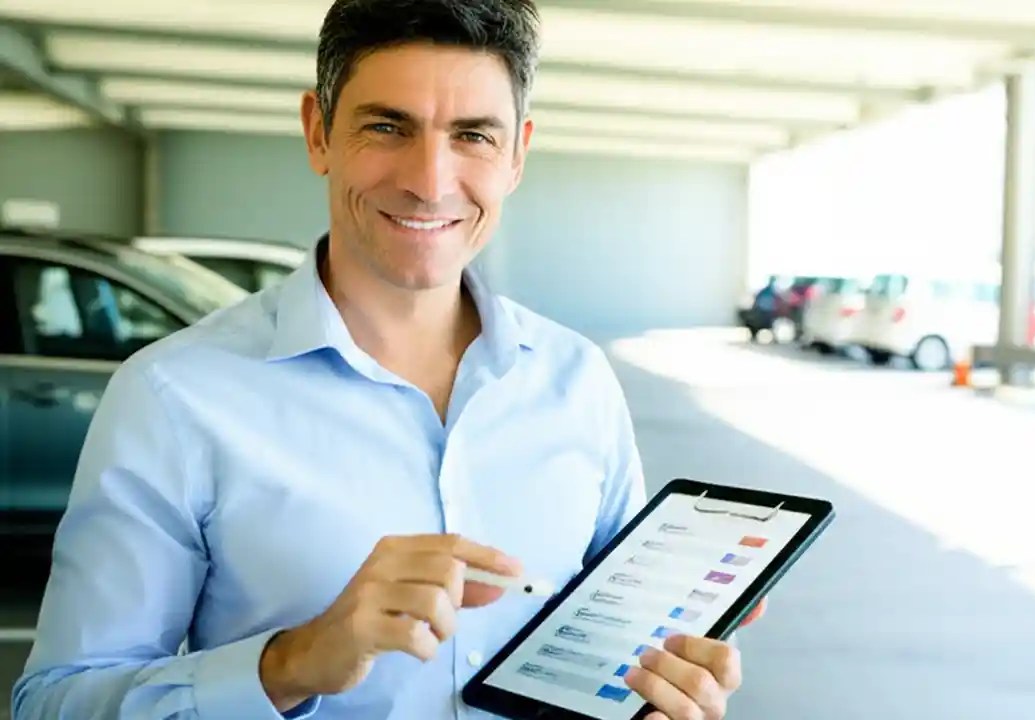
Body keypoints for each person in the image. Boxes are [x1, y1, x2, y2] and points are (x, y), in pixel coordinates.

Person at [12, 1, 764, 718]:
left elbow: (615, 658)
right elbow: (55, 702)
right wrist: (292, 662)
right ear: (318, 133)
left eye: (473, 135)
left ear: (517, 156)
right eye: (387, 126)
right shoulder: (174, 395)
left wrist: (662, 692)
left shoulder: (577, 381)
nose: (429, 180)